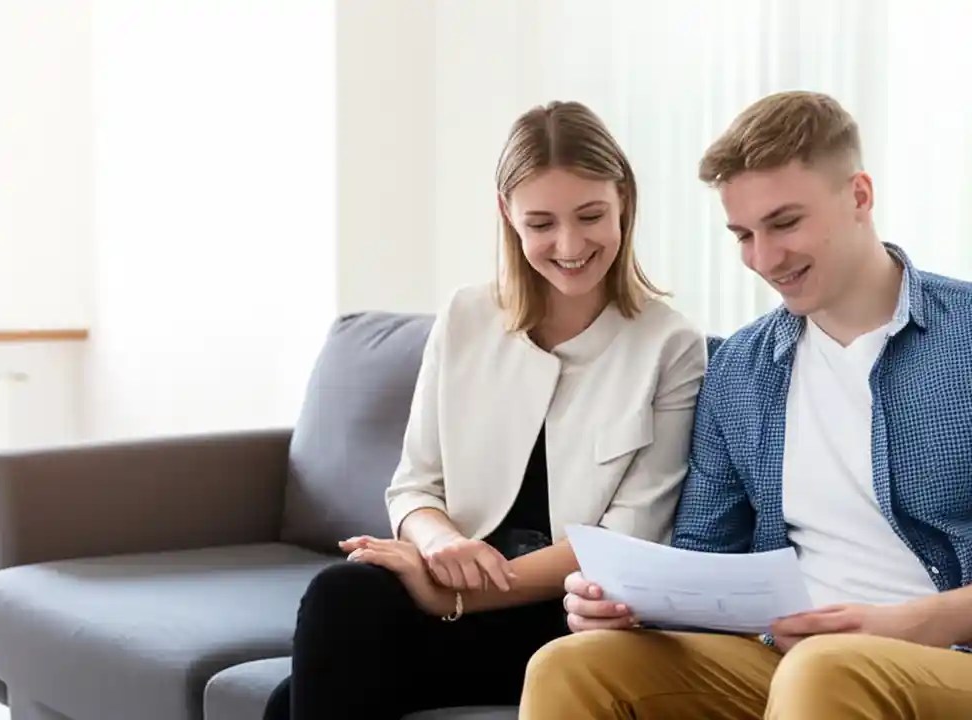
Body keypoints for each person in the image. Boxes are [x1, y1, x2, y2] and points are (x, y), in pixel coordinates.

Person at [520, 91, 972, 720]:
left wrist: (907, 624)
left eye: (785, 223)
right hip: (791, 661)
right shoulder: (741, 369)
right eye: (743, 235)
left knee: (824, 668)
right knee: (574, 665)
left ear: (859, 196)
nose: (764, 258)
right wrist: (629, 606)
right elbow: (705, 554)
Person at [263, 100, 707, 720]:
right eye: (542, 223)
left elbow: (626, 538)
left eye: (590, 215)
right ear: (507, 213)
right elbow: (415, 484)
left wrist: (451, 592)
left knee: (303, 684)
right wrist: (440, 545)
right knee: (340, 605)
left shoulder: (669, 345)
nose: (570, 244)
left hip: (567, 611)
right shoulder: (468, 317)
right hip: (455, 583)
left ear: (624, 199)